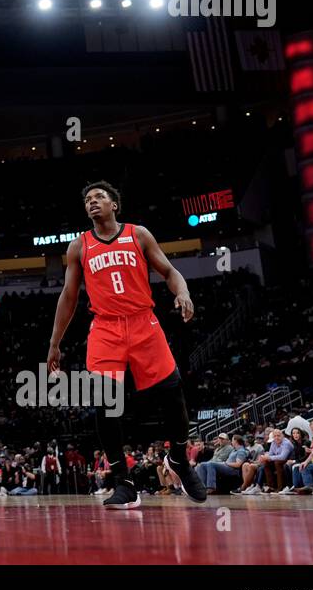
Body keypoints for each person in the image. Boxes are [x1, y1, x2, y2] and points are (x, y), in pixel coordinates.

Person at [45, 181, 207, 509]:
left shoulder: (139, 234)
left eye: (99, 197)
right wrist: (54, 342)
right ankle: (124, 482)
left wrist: (183, 292)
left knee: (173, 393)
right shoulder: (79, 246)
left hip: (143, 322)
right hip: (105, 328)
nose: (92, 202)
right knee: (106, 404)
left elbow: (169, 270)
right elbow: (69, 296)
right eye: (87, 199)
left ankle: (178, 458)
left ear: (114, 204)